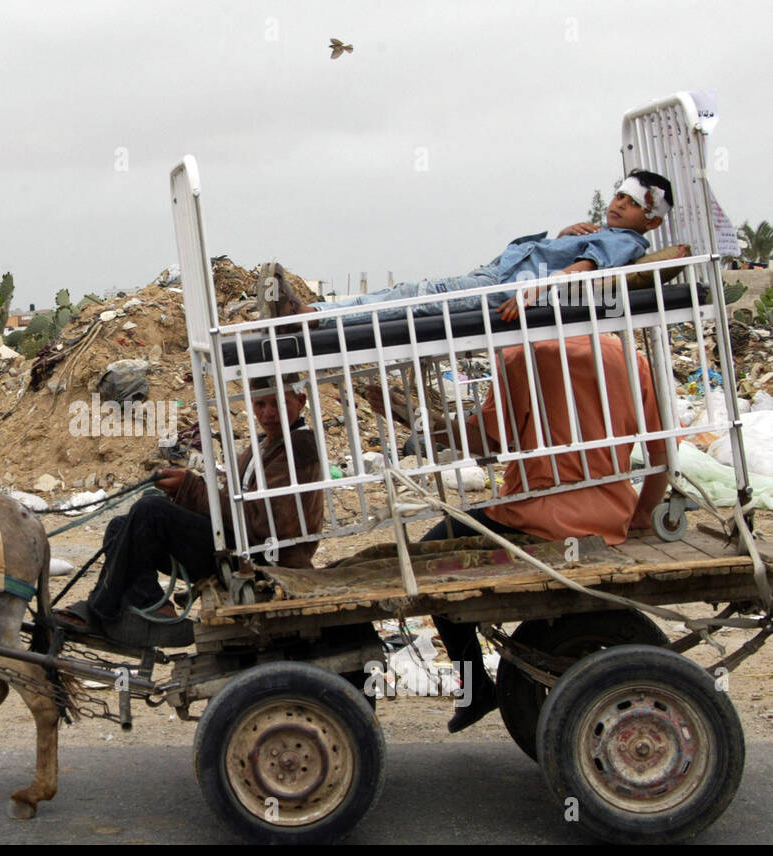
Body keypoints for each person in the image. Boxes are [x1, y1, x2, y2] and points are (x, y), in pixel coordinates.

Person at [371, 332, 669, 731]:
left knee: (428, 562)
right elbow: (662, 449)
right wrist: (643, 511)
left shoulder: (524, 352)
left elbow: (485, 442)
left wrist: (410, 413)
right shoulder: (624, 354)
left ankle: (475, 687)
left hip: (535, 515)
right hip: (609, 515)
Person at [75, 374, 325, 633]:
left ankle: (99, 611)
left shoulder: (299, 446)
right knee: (120, 526)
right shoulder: (266, 442)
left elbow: (264, 522)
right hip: (240, 543)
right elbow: (233, 499)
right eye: (260, 405)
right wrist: (185, 490)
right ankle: (154, 606)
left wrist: (191, 489)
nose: (268, 413)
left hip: (264, 557)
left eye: (278, 404)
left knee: (150, 512)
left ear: (301, 401)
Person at [264, 169, 674, 324]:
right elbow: (578, 257)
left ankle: (311, 315)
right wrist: (565, 236)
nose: (619, 205)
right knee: (408, 295)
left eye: (632, 203)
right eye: (619, 196)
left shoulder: (625, 245)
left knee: (409, 301)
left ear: (652, 220)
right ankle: (313, 313)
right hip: (501, 274)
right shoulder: (606, 234)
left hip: (506, 288)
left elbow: (584, 272)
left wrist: (535, 289)